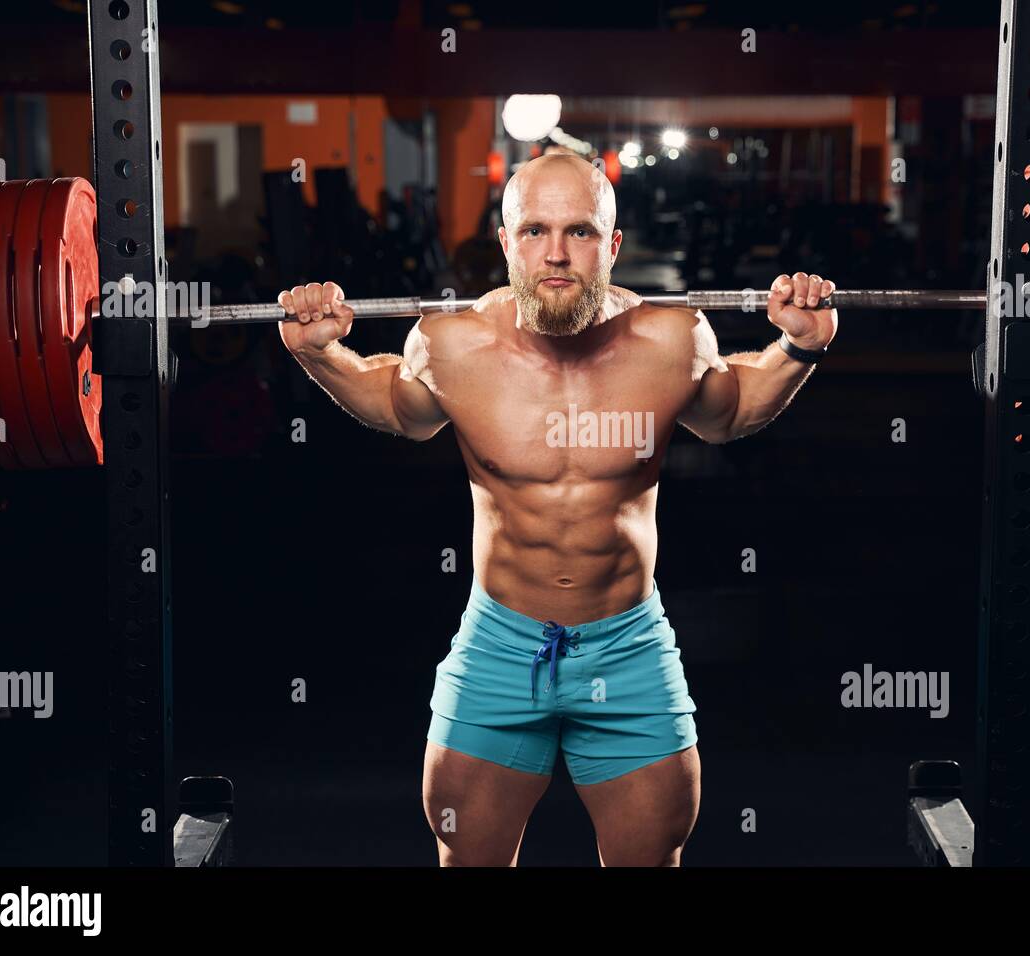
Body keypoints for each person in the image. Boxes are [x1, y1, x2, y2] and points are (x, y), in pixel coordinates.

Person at [276, 153, 838, 866]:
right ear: (506, 242)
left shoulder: (671, 338)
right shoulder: (452, 344)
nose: (556, 254)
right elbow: (398, 407)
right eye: (535, 231)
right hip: (500, 648)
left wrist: (798, 346)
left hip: (628, 646)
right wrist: (320, 357)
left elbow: (730, 412)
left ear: (612, 245)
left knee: (652, 852)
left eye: (579, 232)